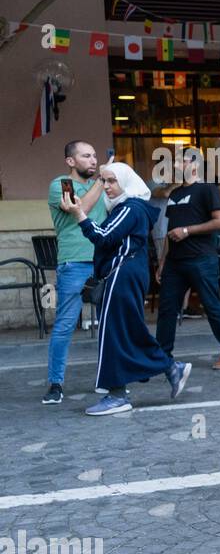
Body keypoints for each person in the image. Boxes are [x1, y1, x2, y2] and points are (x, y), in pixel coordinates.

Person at [60, 162, 192, 416]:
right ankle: (169, 368)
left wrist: (80, 215)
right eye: (104, 181)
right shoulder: (130, 207)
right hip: (126, 274)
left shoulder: (130, 207)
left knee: (114, 334)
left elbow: (103, 236)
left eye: (111, 181)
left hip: (122, 274)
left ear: (125, 181)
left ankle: (118, 394)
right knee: (125, 331)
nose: (107, 187)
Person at [154, 151, 220, 370]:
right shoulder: (173, 194)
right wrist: (162, 261)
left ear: (194, 165)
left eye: (181, 161)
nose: (175, 164)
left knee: (212, 306)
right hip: (174, 261)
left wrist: (187, 230)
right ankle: (162, 357)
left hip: (201, 259)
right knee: (166, 309)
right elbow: (168, 231)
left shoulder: (207, 189)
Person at [42, 141, 108, 405]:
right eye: (86, 156)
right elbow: (82, 209)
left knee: (110, 323)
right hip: (74, 263)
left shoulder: (102, 185)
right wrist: (102, 180)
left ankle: (110, 379)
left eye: (94, 155)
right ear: (71, 161)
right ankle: (55, 384)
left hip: (103, 261)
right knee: (66, 325)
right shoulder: (61, 184)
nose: (93, 160)